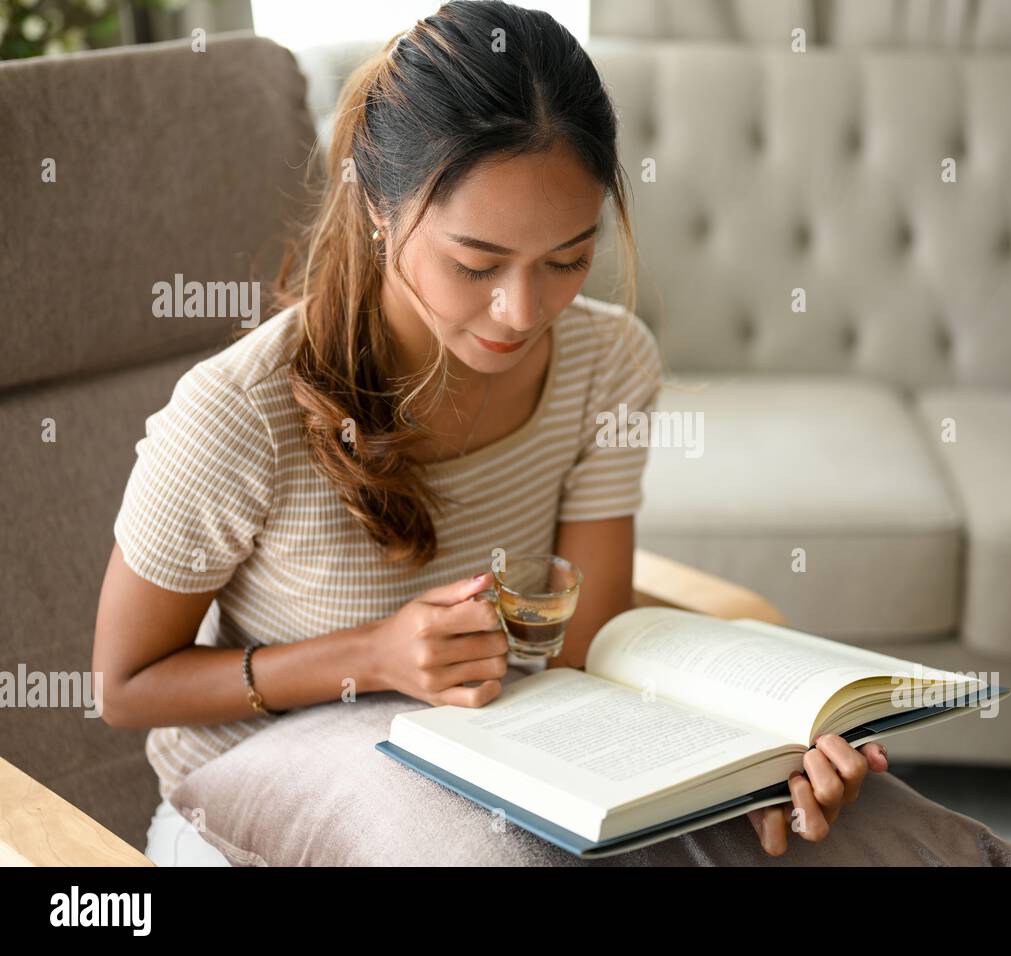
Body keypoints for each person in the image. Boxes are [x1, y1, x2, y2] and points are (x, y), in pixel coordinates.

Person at [95, 0, 889, 864]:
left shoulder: (606, 363)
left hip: (511, 762)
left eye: (567, 260)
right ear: (375, 207)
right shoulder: (238, 413)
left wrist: (750, 766)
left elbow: (589, 647)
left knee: (867, 828)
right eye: (474, 265)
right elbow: (125, 686)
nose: (521, 314)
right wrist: (374, 656)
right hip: (249, 801)